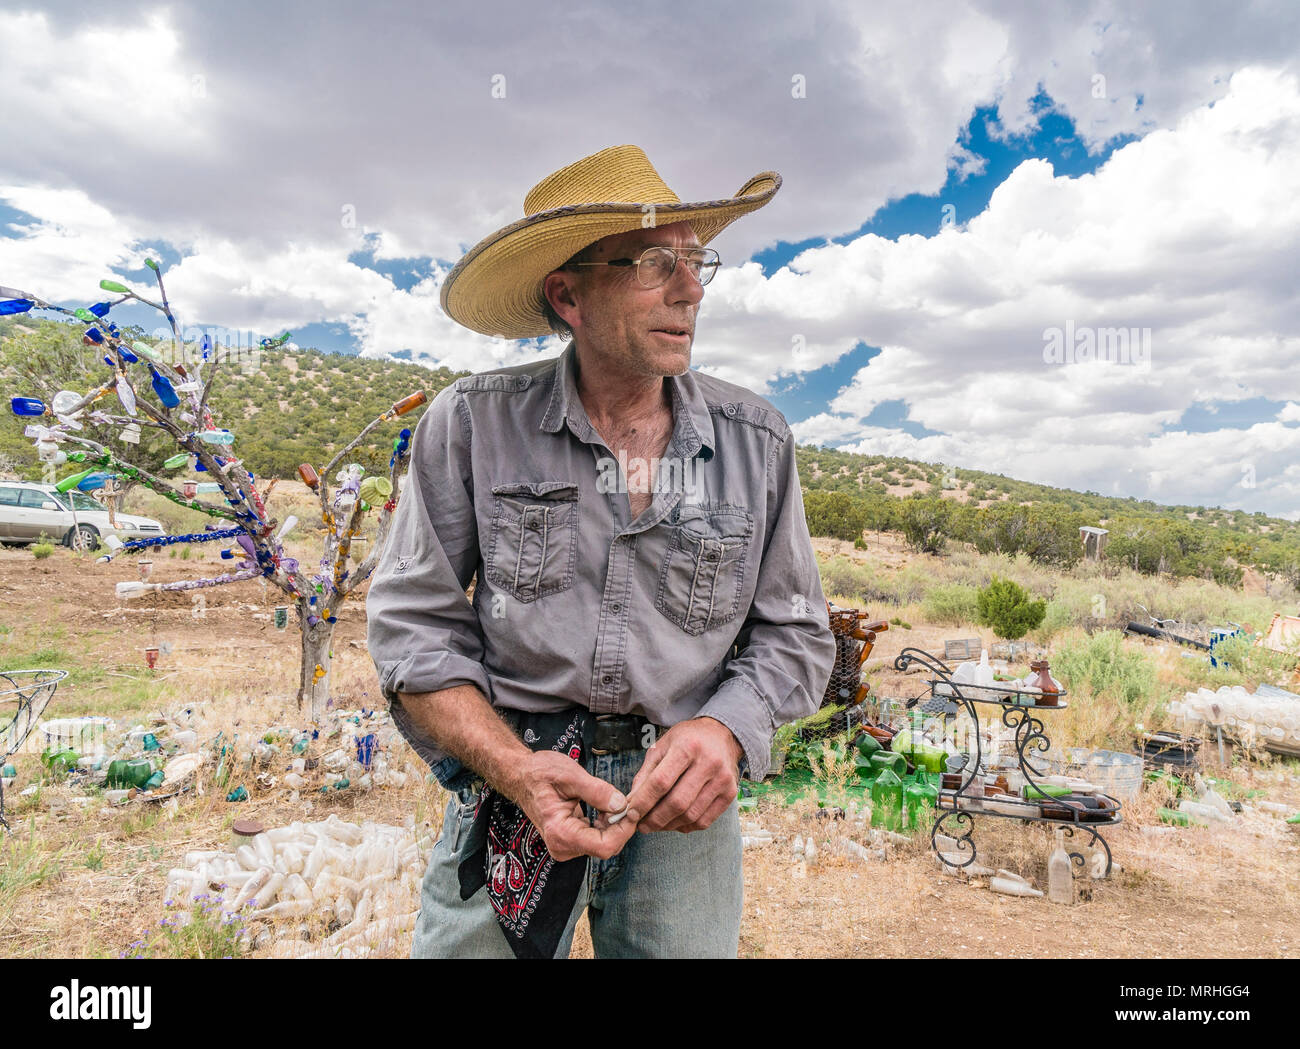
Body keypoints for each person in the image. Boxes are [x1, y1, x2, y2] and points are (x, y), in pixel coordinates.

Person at [366, 144, 835, 958]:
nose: (690, 290)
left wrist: (726, 731)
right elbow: (415, 636)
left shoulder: (757, 442)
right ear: (567, 293)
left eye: (696, 262)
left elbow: (796, 633)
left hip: (681, 810)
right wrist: (517, 769)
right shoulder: (474, 424)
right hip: (514, 789)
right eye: (657, 262)